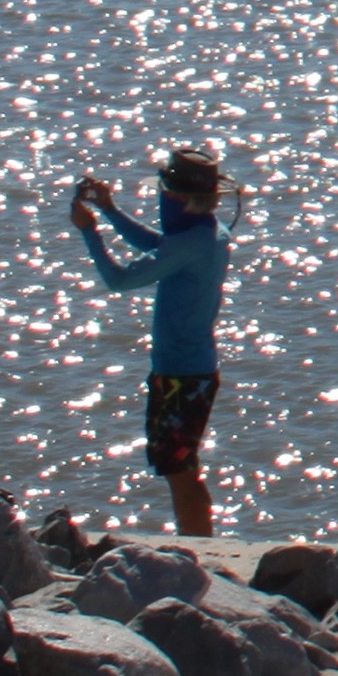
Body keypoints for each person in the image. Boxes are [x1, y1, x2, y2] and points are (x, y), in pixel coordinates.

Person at [74, 145, 237, 537]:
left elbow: (119, 280)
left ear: (179, 197)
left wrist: (89, 231)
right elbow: (158, 247)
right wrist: (110, 210)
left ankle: (197, 547)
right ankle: (200, 542)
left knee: (177, 469)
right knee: (185, 466)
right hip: (194, 370)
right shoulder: (210, 232)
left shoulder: (189, 243)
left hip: (182, 375)